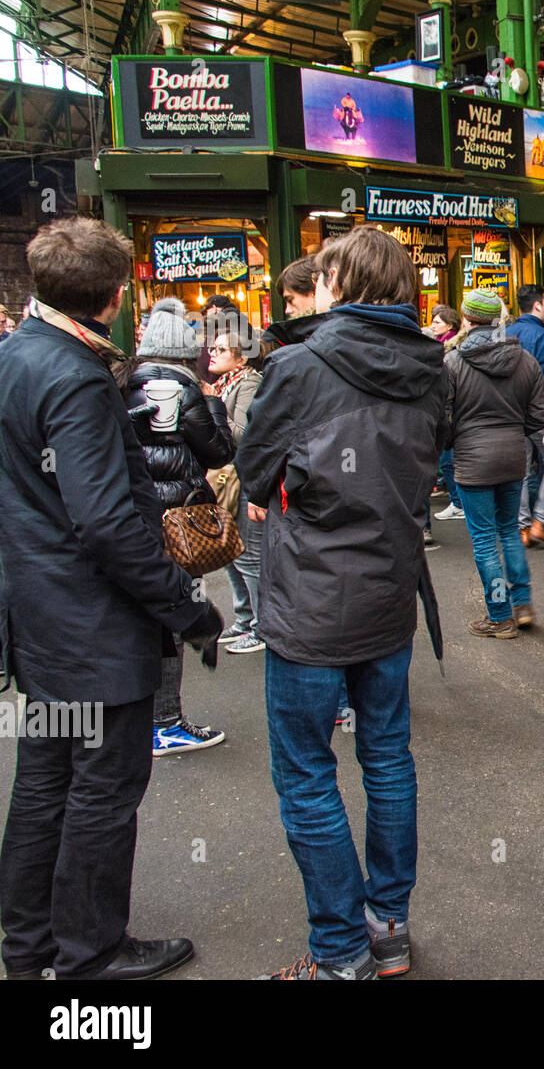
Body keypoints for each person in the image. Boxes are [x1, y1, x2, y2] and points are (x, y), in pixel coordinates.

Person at [0, 217, 223, 981]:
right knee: (100, 788)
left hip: (38, 616)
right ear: (117, 294)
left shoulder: (16, 356)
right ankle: (90, 949)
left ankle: (29, 944)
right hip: (91, 625)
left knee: (45, 779)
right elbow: (106, 523)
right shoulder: (73, 375)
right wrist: (187, 609)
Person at [236, 225, 446, 980]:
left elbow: (253, 471)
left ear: (339, 285)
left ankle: (339, 950)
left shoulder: (297, 366)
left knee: (307, 772)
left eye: (323, 279)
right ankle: (386, 926)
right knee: (387, 757)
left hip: (312, 604)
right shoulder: (433, 367)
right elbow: (434, 465)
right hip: (390, 593)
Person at [128, 301, 238, 752]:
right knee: (173, 619)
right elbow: (219, 451)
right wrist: (211, 398)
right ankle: (166, 722)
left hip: (136, 517)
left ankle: (147, 718)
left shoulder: (123, 385)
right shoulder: (185, 388)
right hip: (178, 520)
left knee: (149, 616)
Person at [445, 287, 544, 638]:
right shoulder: (525, 359)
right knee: (508, 532)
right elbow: (539, 416)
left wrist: (453, 441)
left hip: (473, 461)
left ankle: (500, 615)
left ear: (467, 318)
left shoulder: (454, 361)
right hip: (512, 457)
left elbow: (442, 420)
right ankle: (522, 605)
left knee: (485, 539)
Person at [209, 322, 265, 653]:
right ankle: (244, 619)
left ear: (240, 359)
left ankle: (260, 627)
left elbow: (242, 433)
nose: (212, 355)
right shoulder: (224, 383)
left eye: (220, 350)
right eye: (211, 349)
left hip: (244, 479)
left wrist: (212, 403)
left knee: (248, 557)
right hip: (225, 480)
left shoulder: (249, 383)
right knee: (229, 554)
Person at [511, 285, 544, 548]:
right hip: (538, 413)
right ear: (538, 305)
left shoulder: (507, 333)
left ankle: (522, 527)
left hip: (511, 412)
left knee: (520, 470)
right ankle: (540, 522)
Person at [428, 304, 465, 524]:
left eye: (437, 322)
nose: (433, 325)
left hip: (449, 412)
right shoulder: (441, 345)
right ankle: (456, 500)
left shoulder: (449, 349)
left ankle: (457, 502)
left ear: (450, 325)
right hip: (448, 411)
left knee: (448, 459)